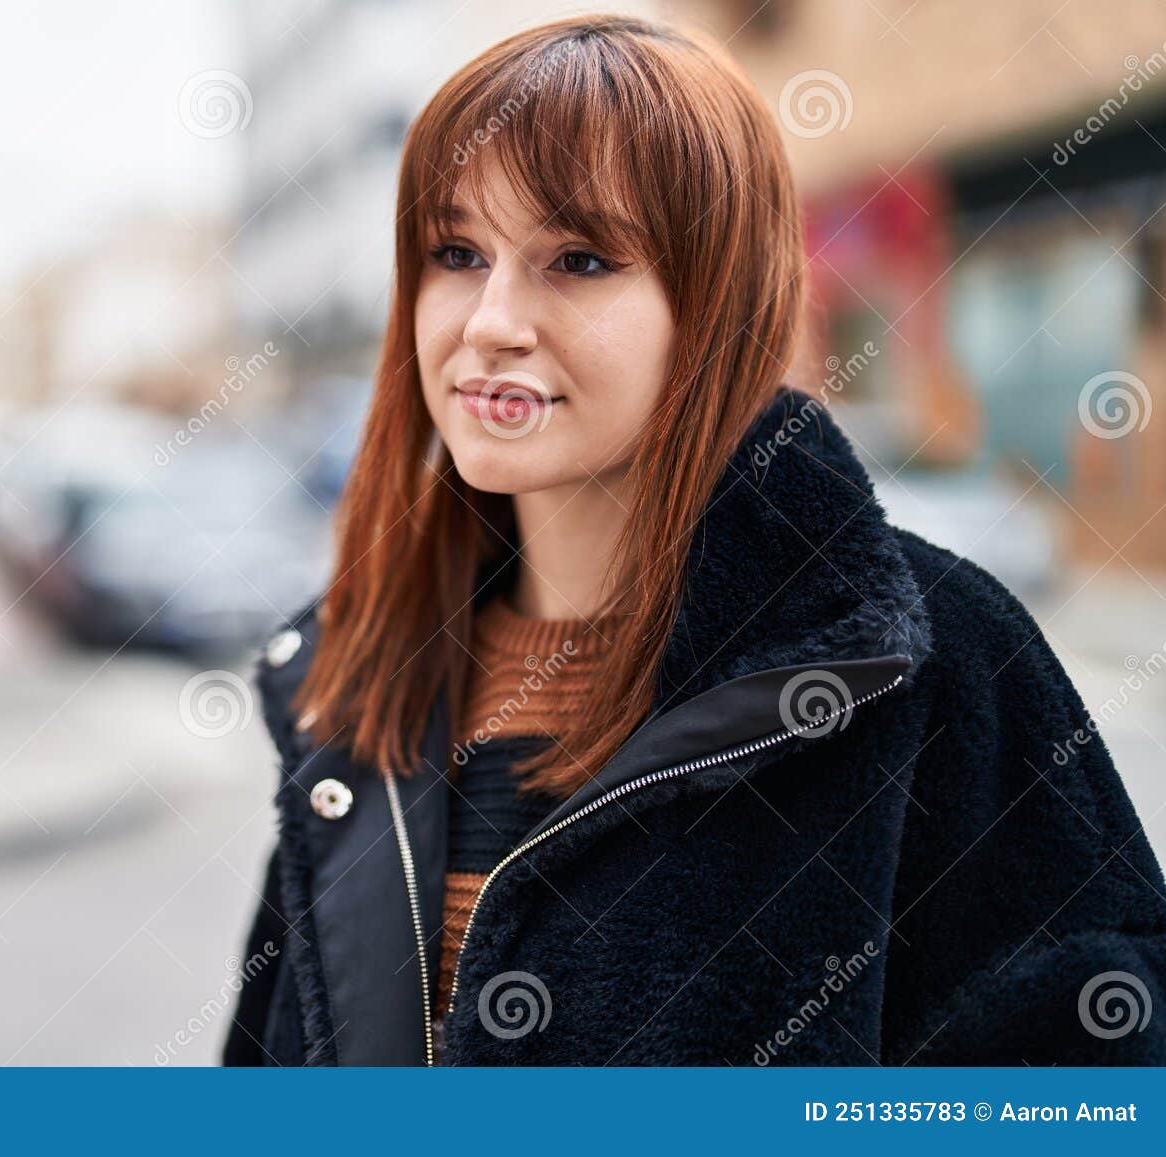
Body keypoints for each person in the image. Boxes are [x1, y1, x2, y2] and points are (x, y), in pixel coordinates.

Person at [221, 13, 1166, 1066]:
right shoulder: (357, 681)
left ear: (715, 305)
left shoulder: (929, 657)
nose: (488, 319)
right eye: (456, 252)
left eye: (577, 258)